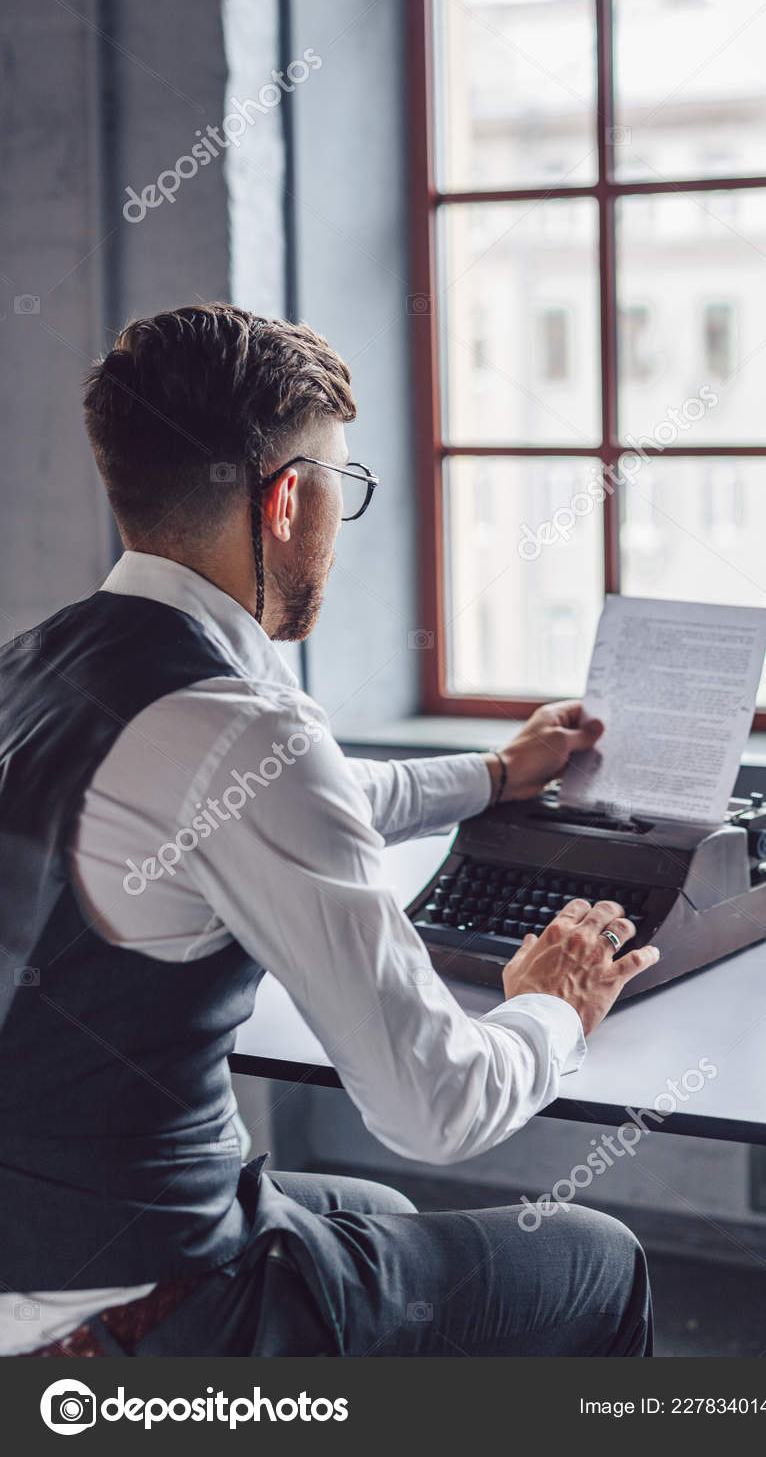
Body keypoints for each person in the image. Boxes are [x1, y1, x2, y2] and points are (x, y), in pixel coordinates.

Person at [0, 303, 659, 1358]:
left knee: (374, 1213)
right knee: (596, 1253)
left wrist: (491, 773)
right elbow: (435, 1108)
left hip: (34, 1262)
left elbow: (281, 794)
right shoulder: (238, 724)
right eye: (341, 488)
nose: (334, 531)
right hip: (135, 1316)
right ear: (287, 497)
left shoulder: (42, 666)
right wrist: (553, 1011)